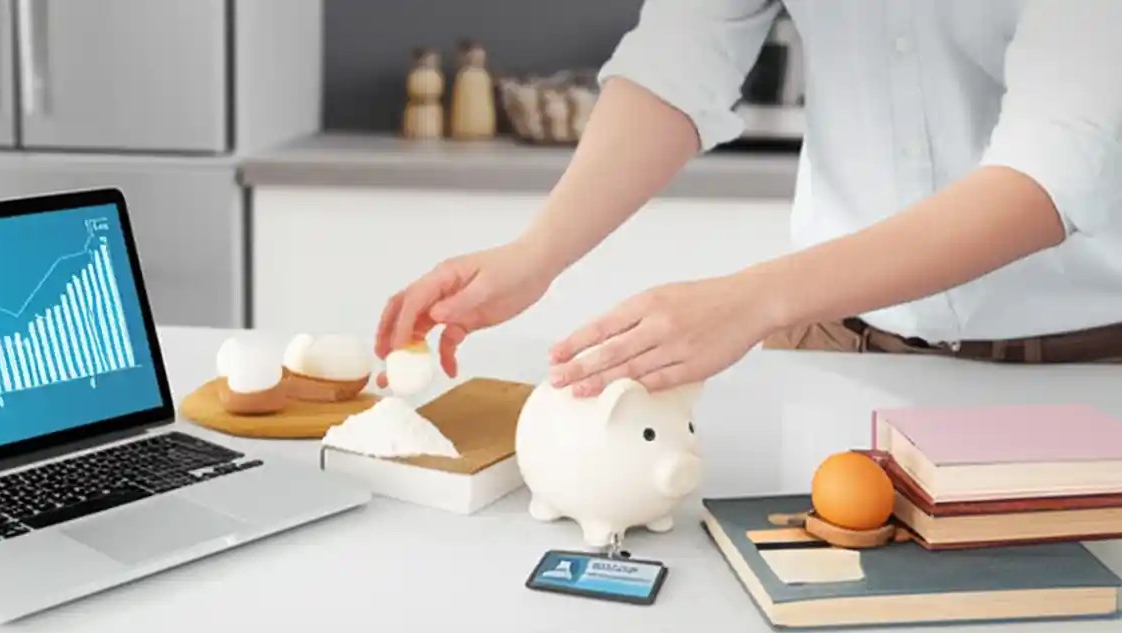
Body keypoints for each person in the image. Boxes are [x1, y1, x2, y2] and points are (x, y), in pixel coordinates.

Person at [374, 1, 1122, 398]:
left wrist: (753, 300)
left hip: (1085, 364)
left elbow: (1043, 176)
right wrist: (533, 257)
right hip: (843, 345)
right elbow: (679, 58)